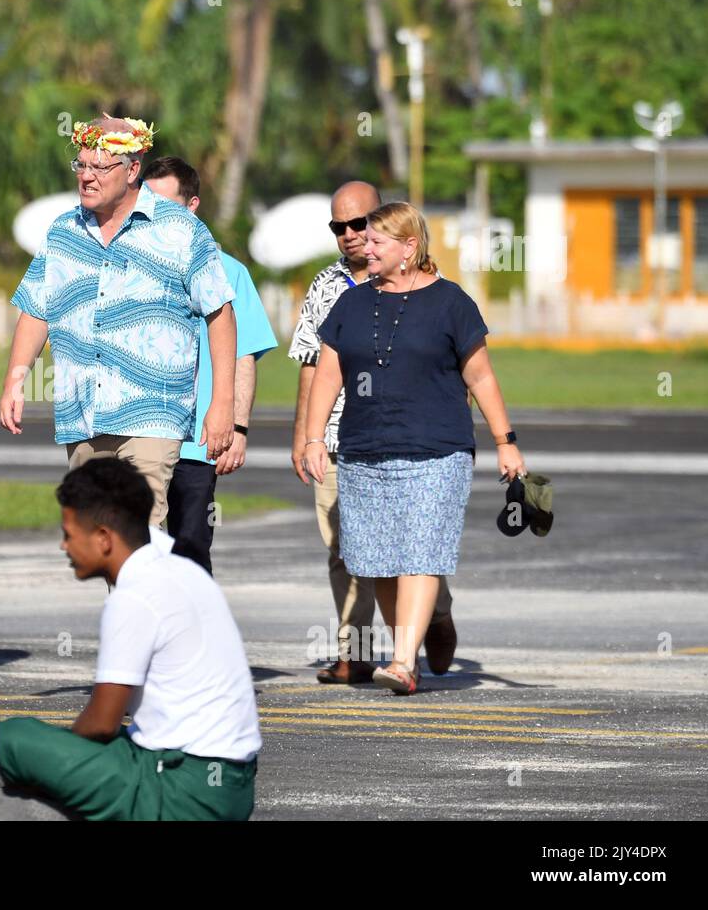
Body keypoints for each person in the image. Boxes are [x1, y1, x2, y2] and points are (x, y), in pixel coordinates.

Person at [302, 202, 526, 695]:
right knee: (380, 560)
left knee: (421, 553)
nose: (365, 245)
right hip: (363, 451)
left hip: (437, 449)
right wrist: (314, 438)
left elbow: (481, 375)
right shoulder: (351, 304)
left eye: (378, 239)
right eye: (364, 238)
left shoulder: (452, 303)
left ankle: (403, 661)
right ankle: (419, 640)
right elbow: (328, 376)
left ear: (409, 248)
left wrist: (505, 442)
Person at [0, 115, 238, 525]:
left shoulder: (181, 230)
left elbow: (220, 313)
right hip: (82, 413)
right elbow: (37, 309)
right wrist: (15, 380)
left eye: (100, 167)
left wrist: (223, 402)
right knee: (97, 537)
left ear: (132, 170)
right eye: (81, 165)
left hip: (152, 415)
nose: (87, 177)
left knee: (140, 534)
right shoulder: (62, 232)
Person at [0, 458, 260, 820]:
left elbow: (102, 723)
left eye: (69, 534)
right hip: (231, 784)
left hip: (188, 791)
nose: (63, 547)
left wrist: (59, 759)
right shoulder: (179, 564)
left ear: (104, 538)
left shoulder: (135, 596)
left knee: (15, 739)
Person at [290, 181, 457, 684]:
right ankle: (356, 651)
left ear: (382, 220)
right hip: (340, 438)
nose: (348, 235)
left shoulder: (425, 282)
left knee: (410, 546)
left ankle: (438, 613)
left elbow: (453, 362)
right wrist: (305, 435)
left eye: (358, 224)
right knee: (345, 549)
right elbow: (309, 364)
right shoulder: (326, 286)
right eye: (337, 227)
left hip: (408, 437)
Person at [141, 155, 278, 574]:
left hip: (198, 441)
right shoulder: (132, 264)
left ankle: (193, 633)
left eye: (166, 205)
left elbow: (244, 355)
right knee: (140, 547)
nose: (155, 215)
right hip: (140, 432)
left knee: (191, 549)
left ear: (192, 205)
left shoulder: (228, 272)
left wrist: (238, 428)